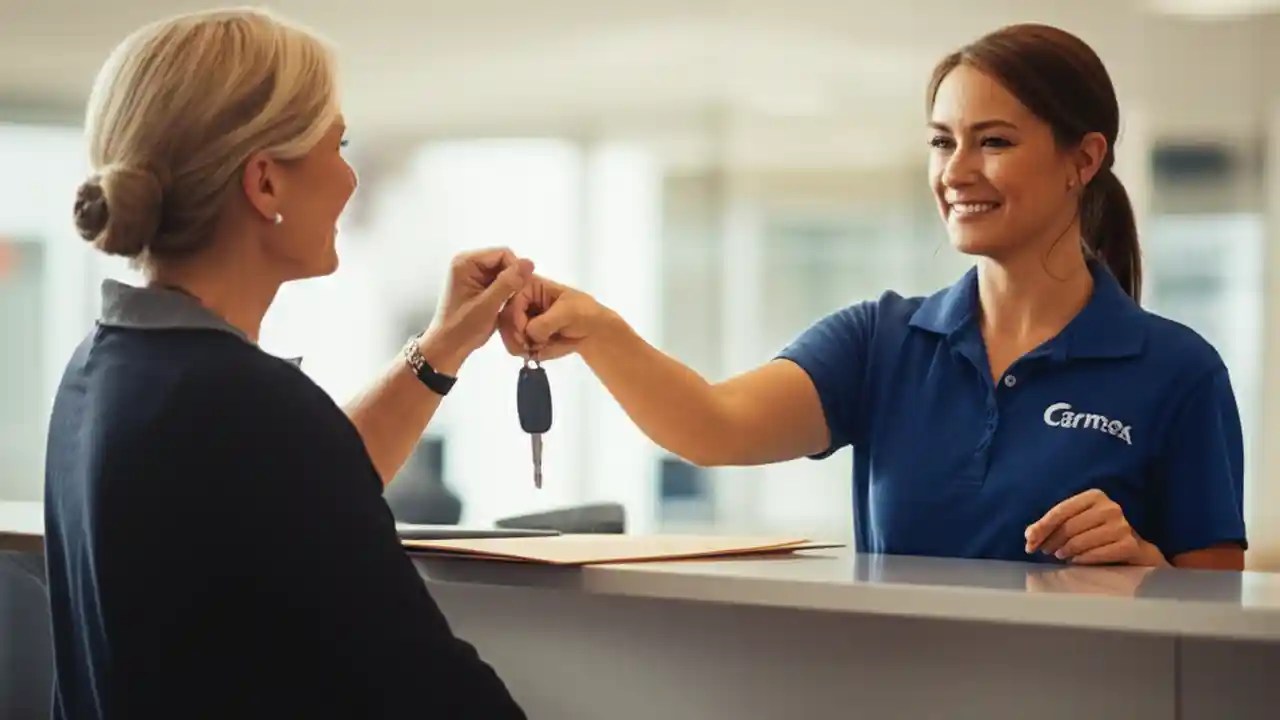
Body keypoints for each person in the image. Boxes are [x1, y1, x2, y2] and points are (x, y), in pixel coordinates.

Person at [499, 24, 1248, 571]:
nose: (956, 170)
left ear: (1082, 159)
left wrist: (1146, 563)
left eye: (993, 141)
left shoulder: (1177, 371)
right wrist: (598, 328)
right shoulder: (881, 342)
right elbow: (712, 426)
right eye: (940, 141)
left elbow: (1217, 615)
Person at [45, 9, 528, 719]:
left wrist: (444, 343)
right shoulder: (249, 409)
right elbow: (435, 692)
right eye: (339, 145)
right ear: (265, 183)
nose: (350, 179)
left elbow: (302, 487)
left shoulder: (99, 373)